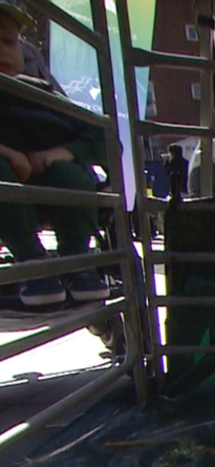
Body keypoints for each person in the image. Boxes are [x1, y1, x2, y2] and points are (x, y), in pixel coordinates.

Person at [0, 0, 109, 306]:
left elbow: (104, 135)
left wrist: (61, 153)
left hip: (55, 190)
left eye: (7, 41)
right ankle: (33, 263)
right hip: (10, 196)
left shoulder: (43, 94)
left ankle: (76, 261)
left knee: (69, 172)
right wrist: (9, 153)